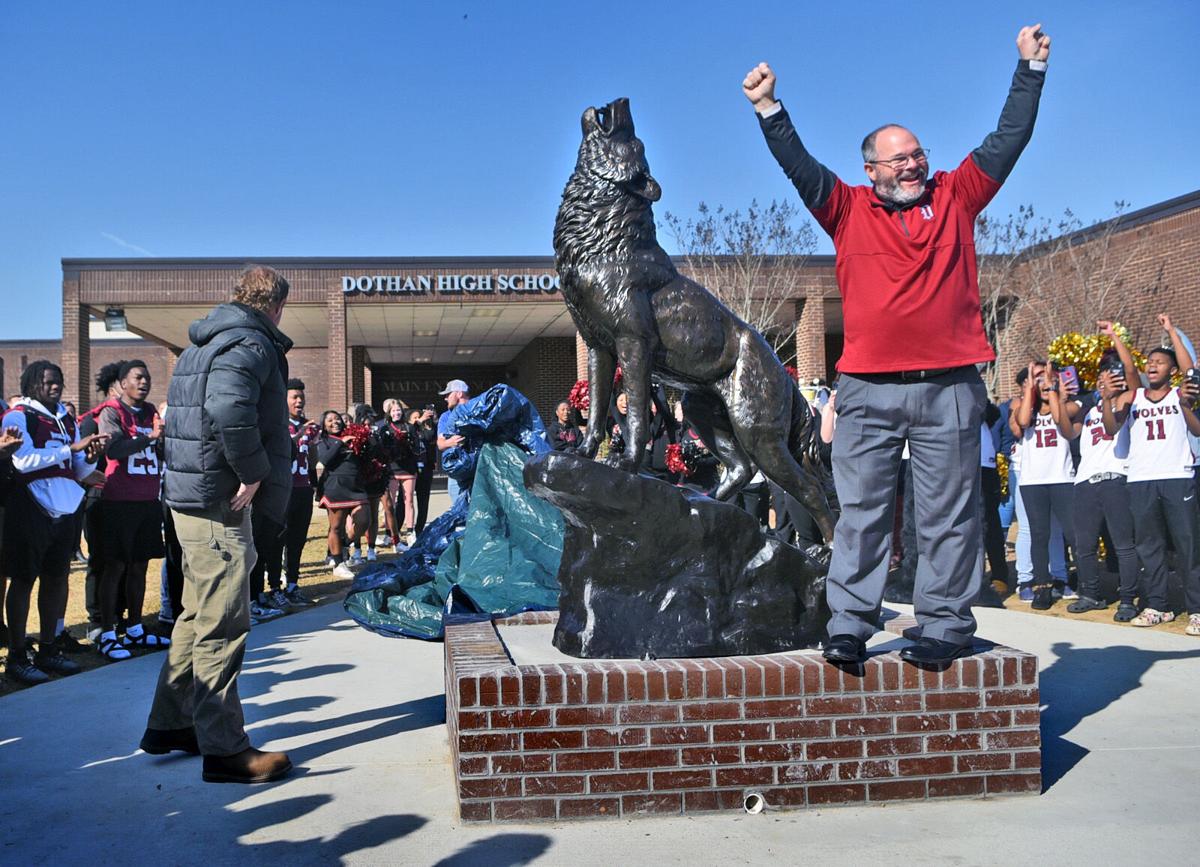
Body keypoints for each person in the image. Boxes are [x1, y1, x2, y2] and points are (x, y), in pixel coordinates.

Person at [745, 23, 1050, 666]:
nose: (913, 165)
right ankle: (849, 625)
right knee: (862, 513)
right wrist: (769, 108)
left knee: (948, 515)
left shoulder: (958, 196)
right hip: (867, 389)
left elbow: (1008, 140)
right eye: (898, 159)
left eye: (917, 154)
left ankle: (944, 626)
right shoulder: (845, 208)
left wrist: (1030, 71)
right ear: (871, 170)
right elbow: (800, 166)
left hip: (949, 387)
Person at [141, 264, 293, 784]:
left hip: (192, 496)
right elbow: (228, 408)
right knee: (222, 622)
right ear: (277, 306)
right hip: (219, 502)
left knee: (196, 614)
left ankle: (174, 723)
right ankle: (225, 750)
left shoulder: (204, 343)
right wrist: (253, 471)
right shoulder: (249, 342)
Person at [2, 361, 105, 685]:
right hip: (30, 506)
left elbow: (75, 464)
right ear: (32, 384)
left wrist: (89, 461)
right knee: (23, 580)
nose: (55, 386)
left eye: (58, 380)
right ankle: (17, 656)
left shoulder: (65, 418)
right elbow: (23, 460)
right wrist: (68, 449)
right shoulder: (20, 415)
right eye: (48, 381)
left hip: (66, 507)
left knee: (57, 578)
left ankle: (49, 649)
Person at [1104, 314, 1200, 634]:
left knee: (1188, 545)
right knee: (1149, 546)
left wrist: (1171, 331)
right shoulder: (1134, 397)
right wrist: (1115, 338)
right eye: (1150, 362)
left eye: (1160, 362)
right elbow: (1128, 373)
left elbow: (1190, 370)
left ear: (1171, 370)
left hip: (1176, 475)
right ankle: (1158, 606)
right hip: (1141, 478)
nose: (1152, 365)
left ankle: (1197, 610)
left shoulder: (1180, 394)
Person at [1054, 326, 1138, 618]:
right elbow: (1068, 432)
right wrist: (1059, 397)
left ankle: (1127, 598)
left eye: (1112, 373)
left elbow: (1113, 427)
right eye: (1103, 374)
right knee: (1084, 545)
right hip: (1086, 481)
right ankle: (1090, 594)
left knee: (1123, 543)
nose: (1106, 378)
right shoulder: (1089, 407)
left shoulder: (1128, 399)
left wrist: (1114, 336)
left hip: (1116, 477)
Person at [93, 360, 169, 659]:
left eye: (147, 377)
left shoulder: (150, 411)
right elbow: (113, 449)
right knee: (115, 567)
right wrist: (148, 438)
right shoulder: (112, 411)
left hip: (147, 499)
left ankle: (135, 628)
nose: (144, 382)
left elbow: (160, 450)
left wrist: (161, 439)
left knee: (140, 565)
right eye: (138, 377)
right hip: (119, 500)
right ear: (123, 383)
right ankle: (107, 632)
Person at [1010, 361, 1078, 610]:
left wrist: (1053, 391)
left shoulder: (1067, 404)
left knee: (1070, 532)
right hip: (1033, 479)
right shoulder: (1024, 405)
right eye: (1037, 377)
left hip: (1061, 477)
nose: (1042, 380)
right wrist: (1030, 387)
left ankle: (1079, 581)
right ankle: (1041, 586)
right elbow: (1023, 421)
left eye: (1046, 376)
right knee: (1039, 534)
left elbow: (1061, 419)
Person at [315, 409, 368, 579]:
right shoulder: (323, 441)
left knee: (363, 521)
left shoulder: (353, 437)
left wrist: (367, 440)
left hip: (356, 486)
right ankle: (338, 563)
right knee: (336, 527)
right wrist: (340, 443)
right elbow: (325, 460)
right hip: (335, 486)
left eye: (337, 419)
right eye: (330, 420)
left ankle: (345, 544)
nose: (335, 422)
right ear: (324, 425)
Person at [281, 379, 316, 605]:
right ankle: (275, 586)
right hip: (283, 490)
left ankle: (293, 584)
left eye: (301, 397)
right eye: (294, 397)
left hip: (304, 488)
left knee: (297, 539)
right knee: (278, 539)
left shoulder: (310, 426)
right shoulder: (278, 423)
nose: (299, 401)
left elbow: (312, 459)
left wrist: (316, 485)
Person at [378, 398, 417, 550]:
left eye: (398, 410)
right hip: (392, 469)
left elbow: (416, 447)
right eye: (393, 410)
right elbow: (382, 449)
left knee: (409, 500)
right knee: (390, 503)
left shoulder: (409, 427)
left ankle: (410, 532)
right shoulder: (385, 428)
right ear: (389, 412)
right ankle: (390, 533)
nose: (396, 413)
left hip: (408, 469)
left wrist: (408, 443)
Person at [436, 379, 472, 501]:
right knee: (458, 506)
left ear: (459, 393)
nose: (445, 398)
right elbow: (440, 444)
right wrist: (451, 442)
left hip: (479, 470)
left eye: (448, 394)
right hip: (456, 471)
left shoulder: (478, 410)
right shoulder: (445, 416)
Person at [412, 406, 437, 533]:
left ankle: (419, 530)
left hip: (426, 468)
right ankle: (401, 529)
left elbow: (432, 436)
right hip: (410, 469)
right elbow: (411, 430)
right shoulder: (412, 429)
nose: (418, 419)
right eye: (415, 418)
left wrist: (432, 421)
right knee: (405, 501)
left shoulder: (430, 429)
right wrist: (420, 421)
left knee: (423, 501)